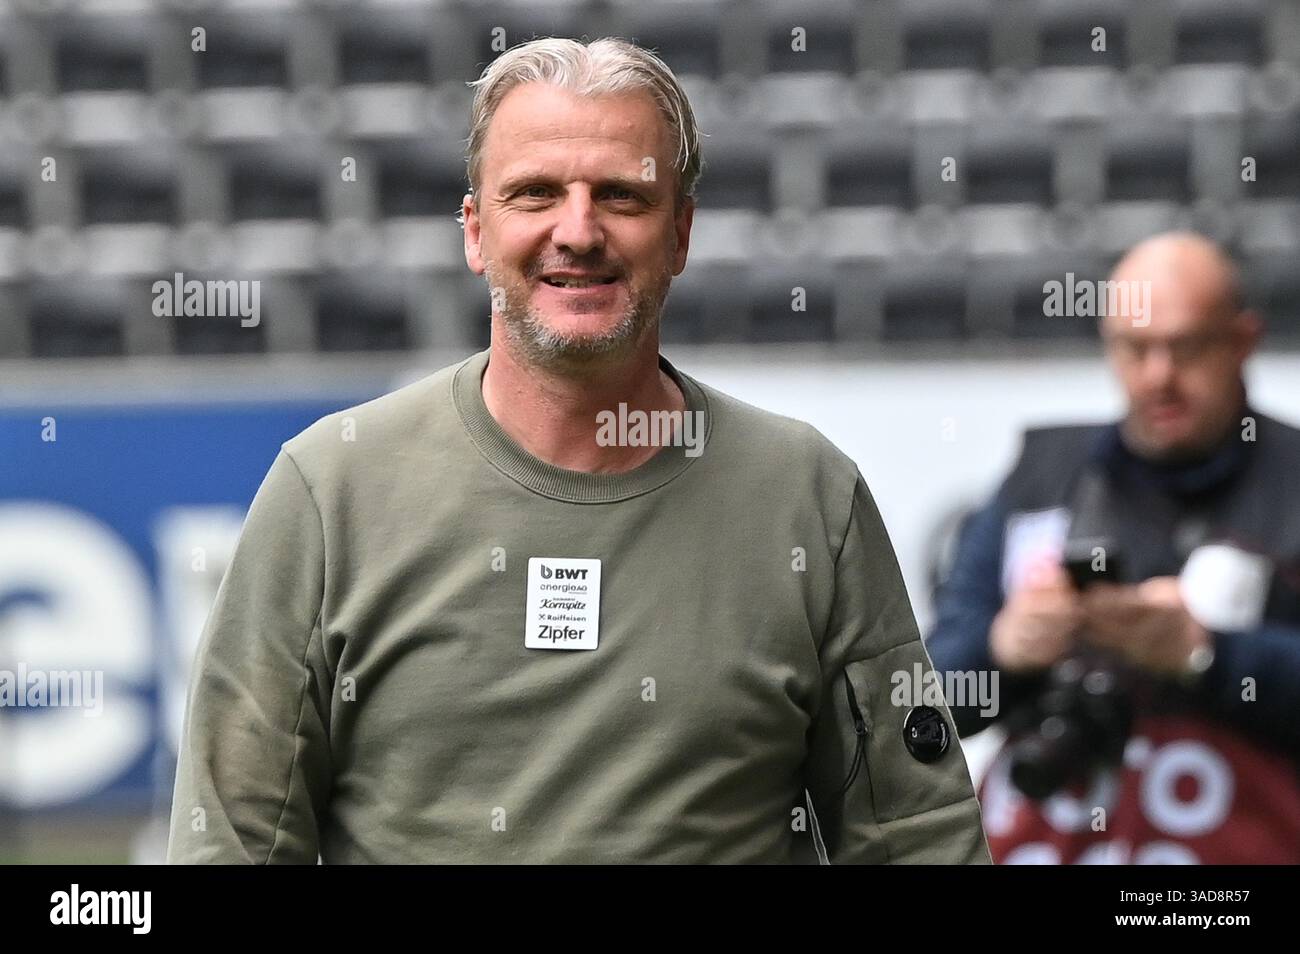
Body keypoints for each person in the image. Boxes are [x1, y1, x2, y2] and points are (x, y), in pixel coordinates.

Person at [167, 37, 989, 864]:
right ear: (476, 231)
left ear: (680, 235)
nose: (578, 230)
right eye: (534, 194)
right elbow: (233, 842)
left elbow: (915, 836)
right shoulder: (327, 491)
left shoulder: (809, 498)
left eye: (623, 197)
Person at [927, 232, 1300, 864]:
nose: (1159, 376)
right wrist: (1005, 647)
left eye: (1185, 347)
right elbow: (930, 698)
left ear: (1243, 341)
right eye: (1136, 348)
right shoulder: (1040, 475)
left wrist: (1206, 653)